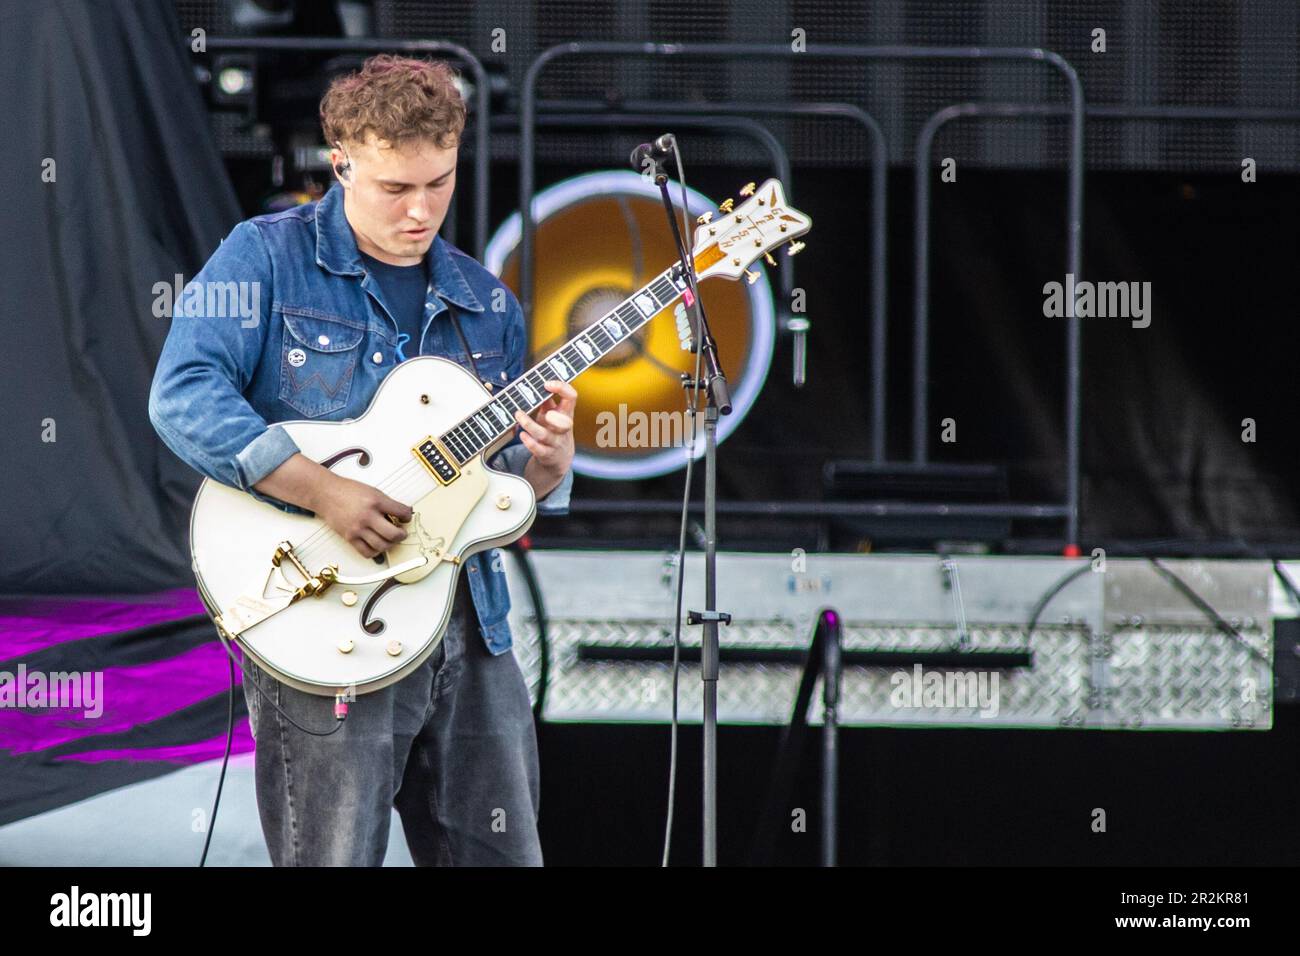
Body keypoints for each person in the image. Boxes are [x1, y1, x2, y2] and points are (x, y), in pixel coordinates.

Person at [148, 54, 576, 866]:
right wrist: (321, 492)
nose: (421, 211)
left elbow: (495, 490)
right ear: (341, 163)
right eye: (394, 189)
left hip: (468, 628)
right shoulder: (263, 256)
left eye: (439, 184)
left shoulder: (487, 301)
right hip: (326, 618)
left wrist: (546, 471)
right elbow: (182, 394)